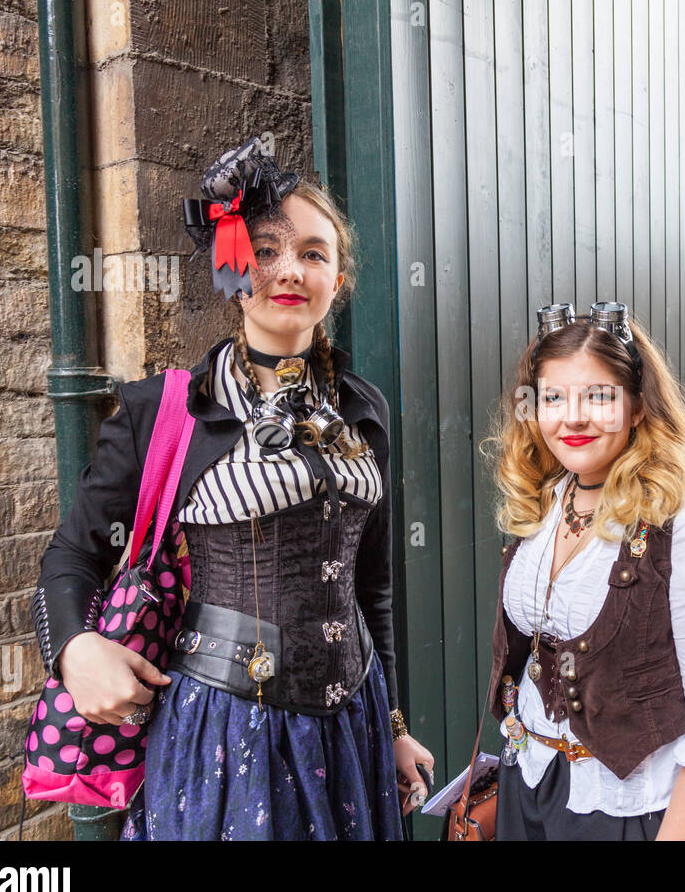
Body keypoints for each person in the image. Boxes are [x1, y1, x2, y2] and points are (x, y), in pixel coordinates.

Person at [33, 138, 433, 840]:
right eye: (267, 249)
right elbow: (71, 554)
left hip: (355, 725)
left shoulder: (366, 409)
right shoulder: (167, 409)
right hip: (228, 729)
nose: (289, 269)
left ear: (337, 281)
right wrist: (73, 649)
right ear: (234, 266)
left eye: (313, 253)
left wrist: (395, 725)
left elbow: (373, 588)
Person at [484, 302, 685, 840]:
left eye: (599, 396)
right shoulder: (541, 505)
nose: (573, 416)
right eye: (554, 397)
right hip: (529, 788)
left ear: (637, 408)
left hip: (635, 809)